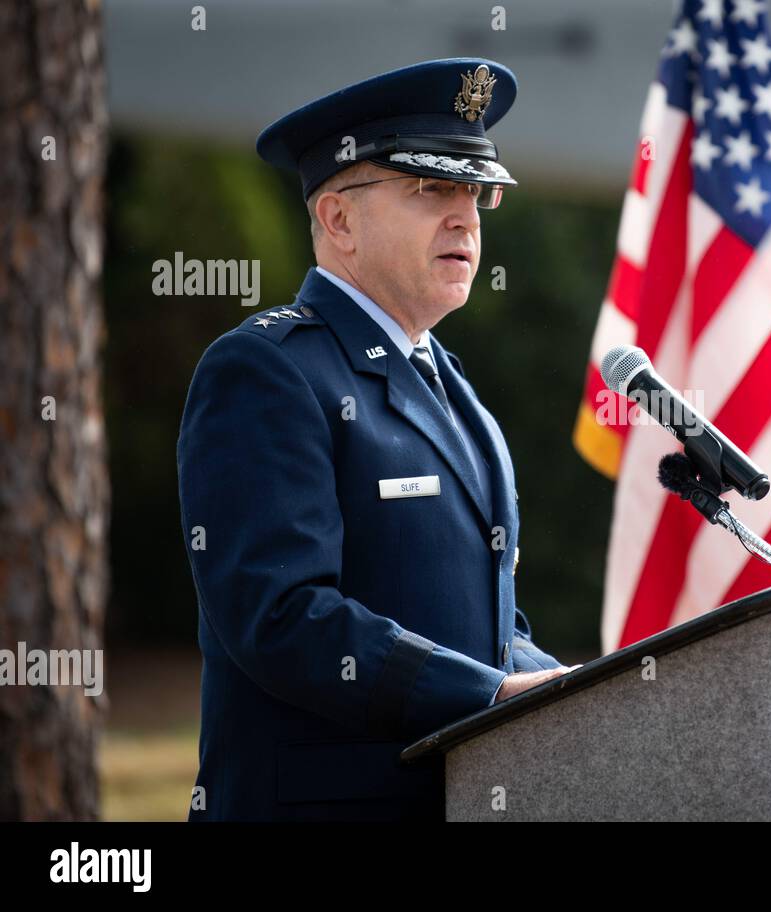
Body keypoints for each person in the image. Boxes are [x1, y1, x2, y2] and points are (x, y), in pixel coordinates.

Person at [177, 58, 575, 821]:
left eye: (476, 192)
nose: (466, 217)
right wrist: (487, 694)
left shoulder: (449, 381)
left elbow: (485, 626)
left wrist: (572, 686)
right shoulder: (266, 372)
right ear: (339, 220)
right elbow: (282, 617)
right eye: (433, 189)